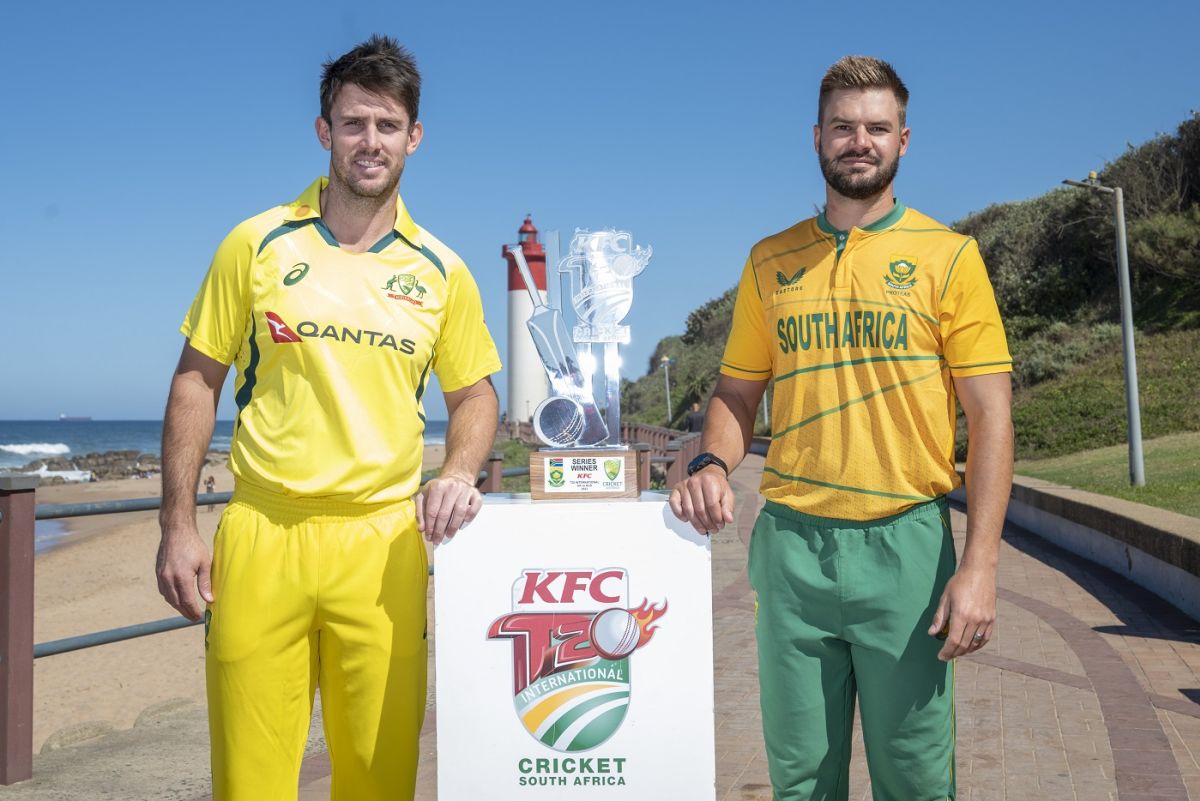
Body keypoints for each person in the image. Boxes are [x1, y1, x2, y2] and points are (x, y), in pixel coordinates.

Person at [155, 35, 501, 801]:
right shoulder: (255, 244)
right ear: (325, 133)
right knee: (251, 784)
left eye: (386, 125)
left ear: (414, 137)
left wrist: (456, 471)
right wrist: (177, 525)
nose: (368, 142)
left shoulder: (443, 270)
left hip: (383, 545)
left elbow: (476, 395)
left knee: (378, 783)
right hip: (262, 536)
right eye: (353, 124)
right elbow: (194, 382)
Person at [670, 56, 1012, 801]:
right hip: (791, 547)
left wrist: (979, 565)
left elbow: (990, 414)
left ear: (904, 140)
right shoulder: (770, 260)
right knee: (800, 782)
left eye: (877, 128)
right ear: (817, 136)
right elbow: (736, 390)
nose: (860, 141)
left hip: (907, 546)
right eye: (844, 127)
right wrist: (711, 464)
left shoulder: (949, 257)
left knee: (915, 779)